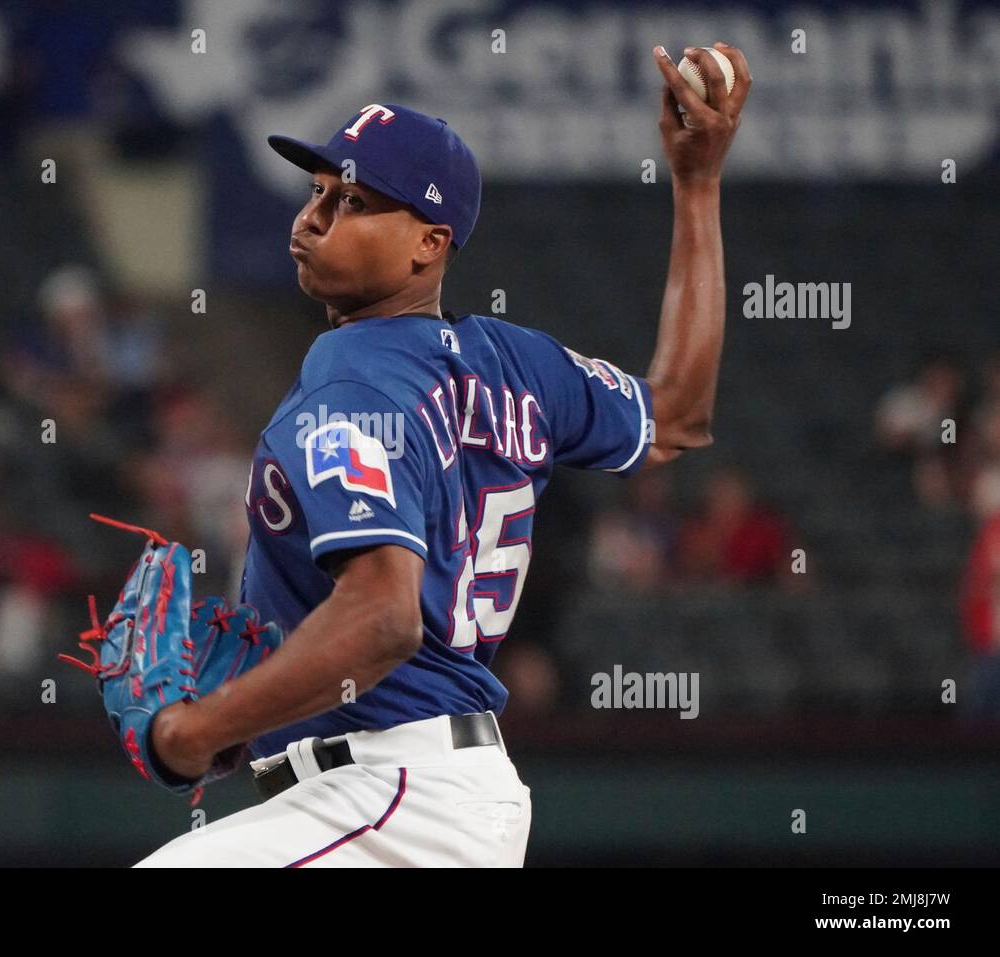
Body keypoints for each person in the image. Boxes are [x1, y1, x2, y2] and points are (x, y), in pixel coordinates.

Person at [136, 44, 751, 867]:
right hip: (428, 792)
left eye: (352, 201)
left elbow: (384, 618)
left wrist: (194, 730)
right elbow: (676, 409)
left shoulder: (349, 380)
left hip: (387, 796)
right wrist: (699, 183)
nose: (313, 215)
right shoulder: (518, 362)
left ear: (430, 244)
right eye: (317, 190)